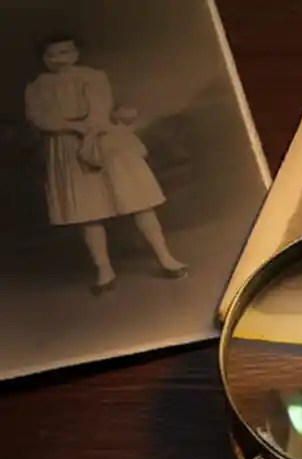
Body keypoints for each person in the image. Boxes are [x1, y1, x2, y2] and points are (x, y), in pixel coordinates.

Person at [24, 33, 187, 295]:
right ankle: (103, 269)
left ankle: (165, 257)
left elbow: (100, 110)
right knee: (87, 211)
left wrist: (90, 131)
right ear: (43, 58)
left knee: (138, 200)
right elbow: (39, 118)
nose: (58, 59)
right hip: (65, 147)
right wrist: (70, 126)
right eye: (51, 55)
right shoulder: (37, 87)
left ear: (76, 53)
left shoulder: (93, 77)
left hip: (102, 140)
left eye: (65, 52)